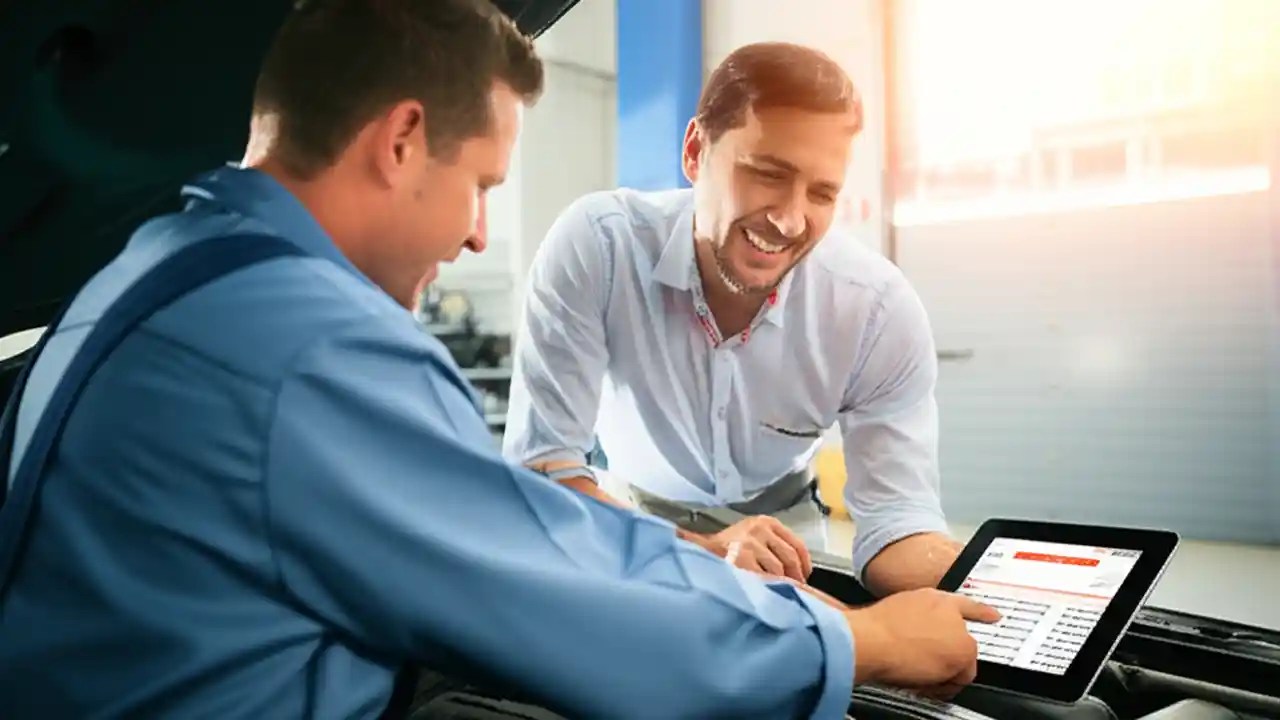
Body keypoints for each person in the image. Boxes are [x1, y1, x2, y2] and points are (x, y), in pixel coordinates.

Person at [0, 2, 997, 718]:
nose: (481, 234)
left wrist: (714, 565)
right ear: (400, 141)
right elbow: (566, 604)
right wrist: (860, 642)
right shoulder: (307, 343)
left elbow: (525, 536)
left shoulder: (159, 270)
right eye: (480, 183)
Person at [504, 41, 961, 595]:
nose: (791, 220)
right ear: (696, 151)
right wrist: (710, 557)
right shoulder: (600, 247)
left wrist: (983, 592)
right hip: (623, 518)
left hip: (786, 534)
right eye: (768, 173)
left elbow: (898, 519)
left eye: (821, 193)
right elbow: (543, 475)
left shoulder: (875, 309)